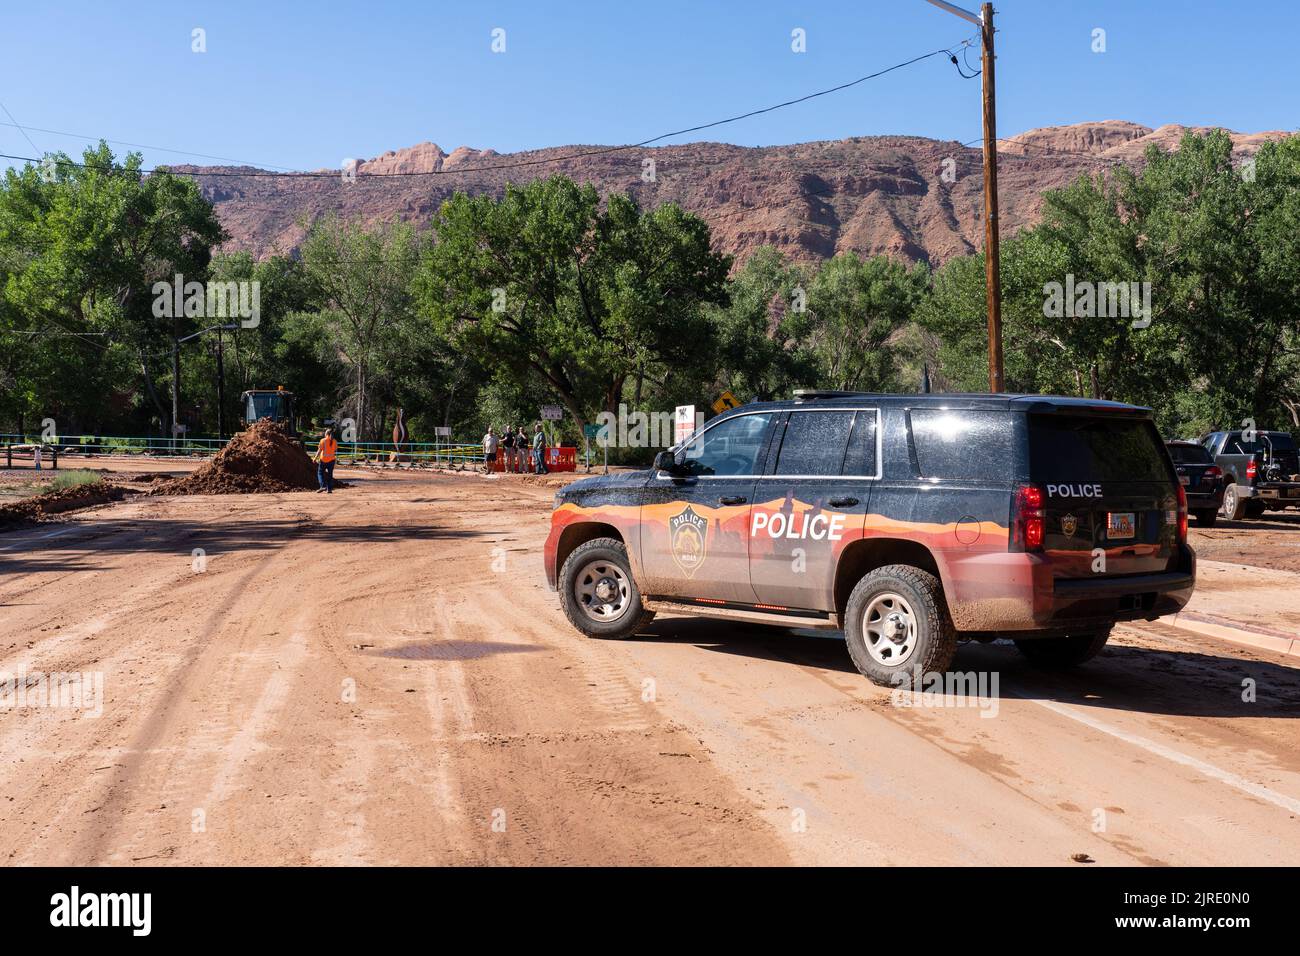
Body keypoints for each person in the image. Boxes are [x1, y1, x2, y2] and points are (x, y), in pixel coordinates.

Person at [315, 426, 338, 493]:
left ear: (327, 434)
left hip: (323, 460)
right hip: (332, 460)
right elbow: (335, 450)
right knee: (330, 475)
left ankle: (322, 486)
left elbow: (319, 451)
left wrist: (315, 458)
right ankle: (329, 489)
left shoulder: (323, 440)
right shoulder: (335, 441)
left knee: (320, 473)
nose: (324, 434)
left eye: (325, 433)